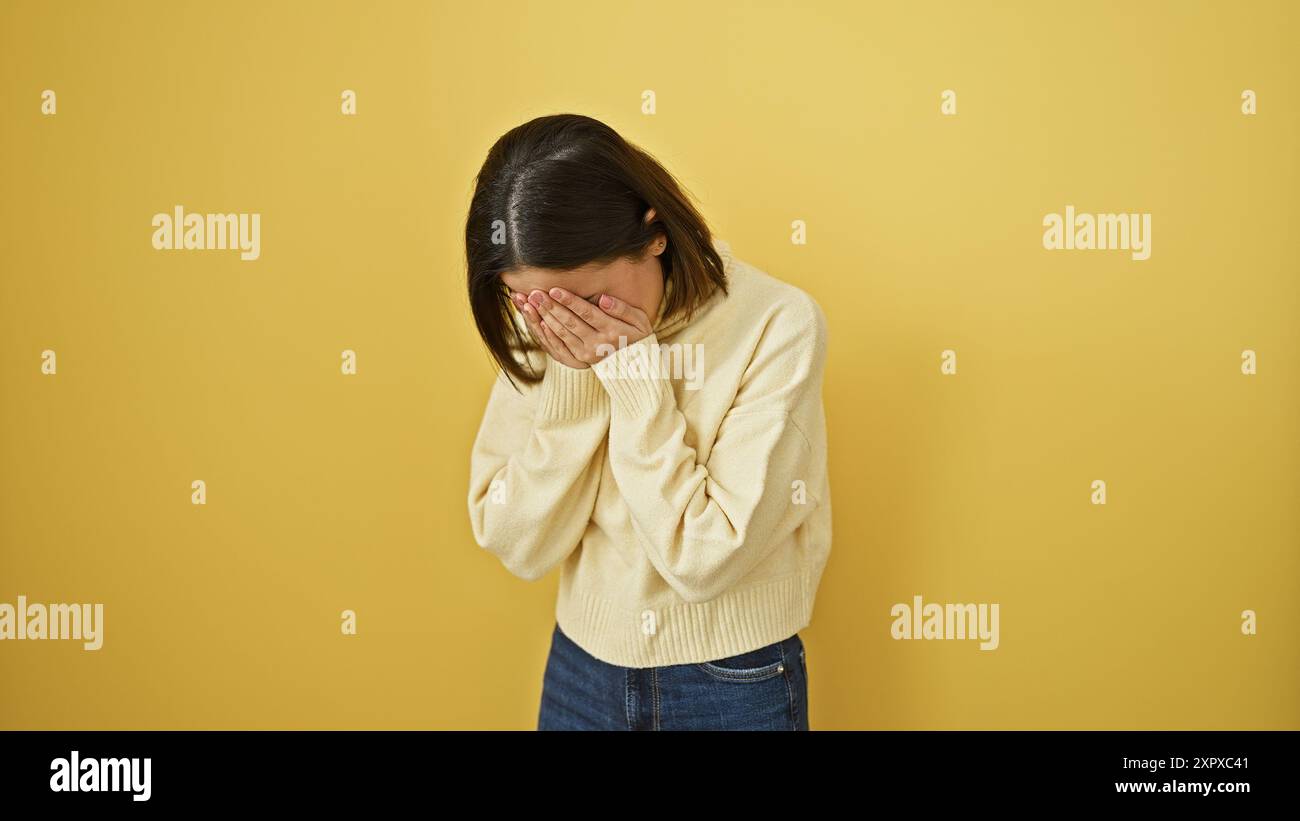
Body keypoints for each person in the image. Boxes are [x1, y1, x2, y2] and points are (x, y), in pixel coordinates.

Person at [464, 113, 831, 730]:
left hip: (731, 677)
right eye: (535, 304)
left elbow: (703, 559)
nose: (566, 323)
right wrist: (578, 379)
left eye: (586, 299)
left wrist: (633, 384)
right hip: (581, 667)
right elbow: (518, 542)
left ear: (652, 234)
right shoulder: (541, 332)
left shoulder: (777, 324)